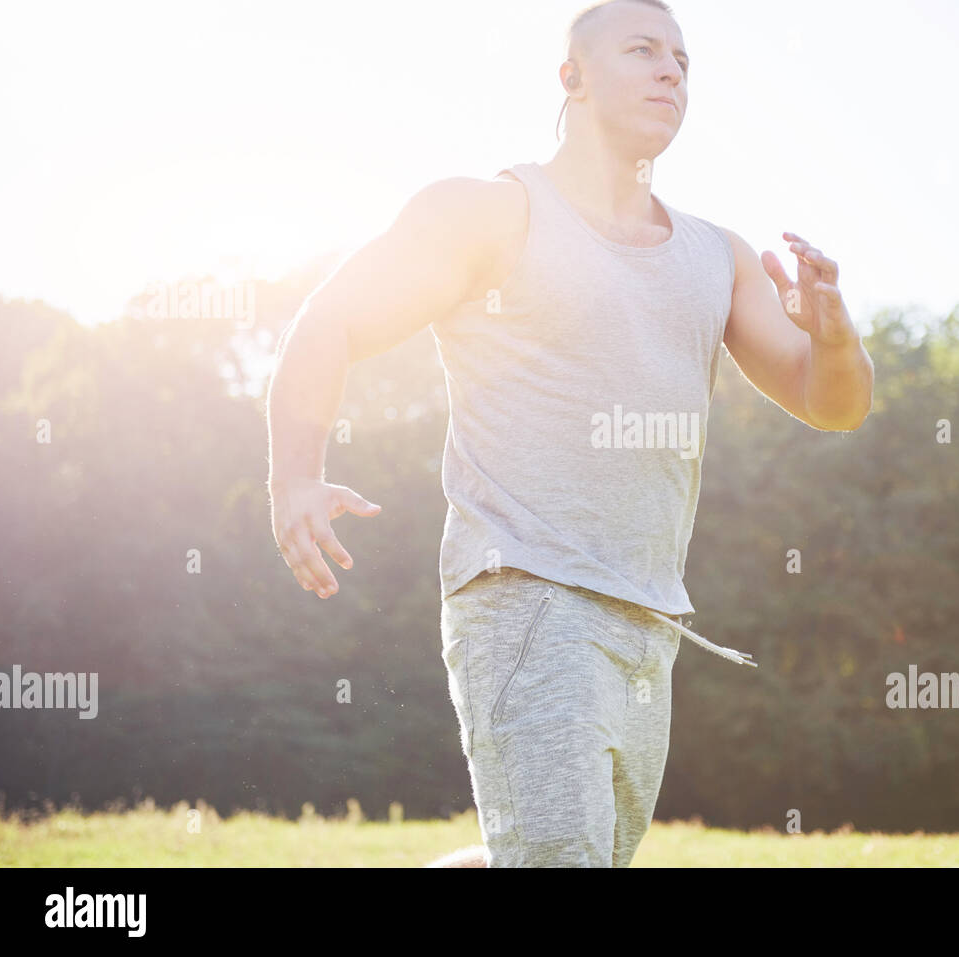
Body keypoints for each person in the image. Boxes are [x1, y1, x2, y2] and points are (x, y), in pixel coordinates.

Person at [266, 0, 874, 868]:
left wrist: (837, 333)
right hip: (523, 592)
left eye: (682, 59)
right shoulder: (492, 215)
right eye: (642, 50)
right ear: (572, 78)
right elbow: (330, 321)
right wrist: (295, 476)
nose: (672, 70)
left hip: (650, 619)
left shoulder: (719, 257)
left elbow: (833, 401)